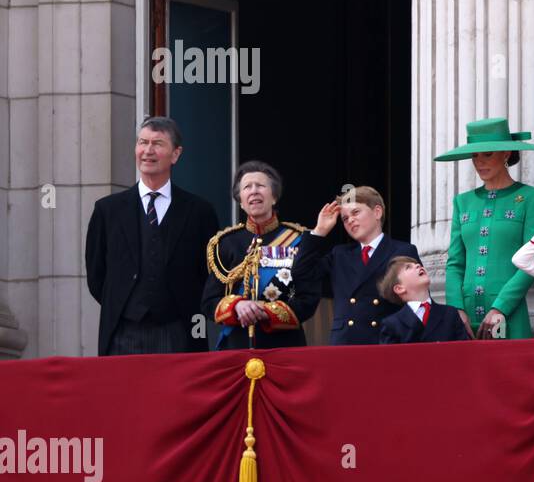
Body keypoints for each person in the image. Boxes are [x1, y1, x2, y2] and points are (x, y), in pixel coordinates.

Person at [85, 117, 220, 355]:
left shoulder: (199, 211)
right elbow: (97, 276)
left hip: (181, 330)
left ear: (176, 154)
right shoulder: (107, 210)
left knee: (178, 393)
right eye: (142, 142)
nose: (148, 150)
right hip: (123, 332)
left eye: (157, 143)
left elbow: (210, 273)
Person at [435, 118, 534, 339]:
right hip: (465, 316)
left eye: (487, 154)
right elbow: (455, 262)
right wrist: (456, 309)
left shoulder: (532, 198)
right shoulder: (463, 202)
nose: (479, 162)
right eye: (475, 156)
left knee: (509, 371)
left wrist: (501, 307)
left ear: (506, 153)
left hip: (509, 313)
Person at [201, 161, 320, 349]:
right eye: (247, 187)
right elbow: (209, 302)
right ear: (240, 201)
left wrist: (265, 311)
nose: (254, 191)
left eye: (261, 186)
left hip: (285, 347)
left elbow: (308, 300)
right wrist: (236, 306)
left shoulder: (299, 239)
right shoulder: (225, 242)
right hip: (235, 347)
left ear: (274, 197)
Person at [292, 186, 419, 344]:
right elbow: (301, 273)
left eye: (356, 212)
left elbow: (416, 302)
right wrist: (319, 231)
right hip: (345, 344)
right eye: (345, 218)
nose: (350, 220)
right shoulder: (339, 254)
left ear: (377, 212)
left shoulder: (403, 250)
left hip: (386, 342)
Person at [376, 256, 471, 344]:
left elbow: (464, 352)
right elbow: (389, 360)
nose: (418, 265)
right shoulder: (392, 324)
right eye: (408, 267)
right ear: (400, 288)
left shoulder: (450, 314)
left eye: (417, 264)